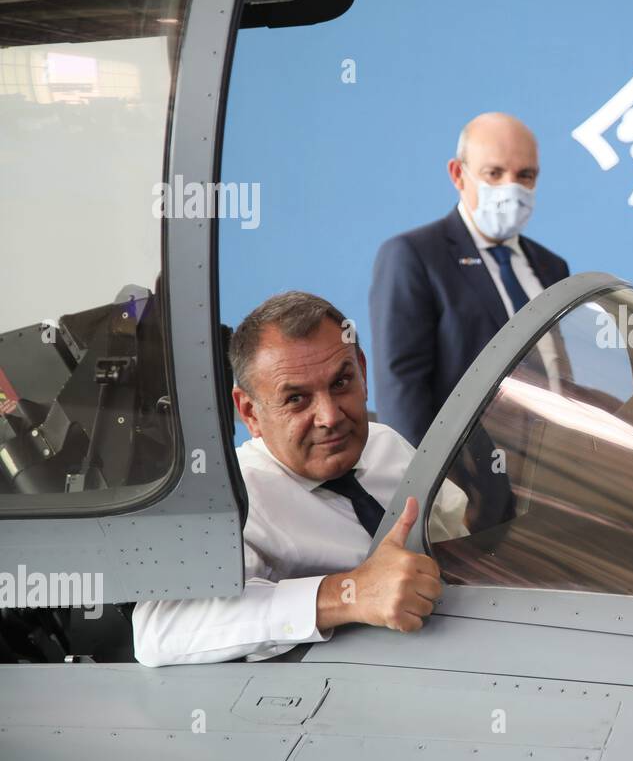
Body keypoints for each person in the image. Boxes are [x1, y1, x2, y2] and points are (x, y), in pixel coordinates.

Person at [132, 291, 468, 667]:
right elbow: (159, 629)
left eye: (341, 383)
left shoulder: (385, 444)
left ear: (361, 369)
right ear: (249, 412)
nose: (330, 417)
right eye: (296, 400)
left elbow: (460, 532)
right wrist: (347, 594)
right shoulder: (232, 499)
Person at [369, 112, 570, 447]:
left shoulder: (552, 267)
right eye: (494, 173)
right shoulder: (414, 256)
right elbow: (402, 389)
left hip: (553, 471)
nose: (512, 187)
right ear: (458, 174)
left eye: (525, 175)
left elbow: (560, 376)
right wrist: (427, 489)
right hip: (465, 480)